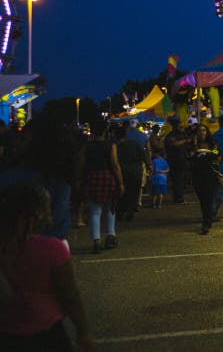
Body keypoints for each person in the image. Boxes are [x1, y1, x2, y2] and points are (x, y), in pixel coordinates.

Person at [0, 183, 95, 350]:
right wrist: (83, 330)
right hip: (47, 333)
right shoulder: (53, 249)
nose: (49, 215)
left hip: (7, 333)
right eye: (46, 209)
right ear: (34, 214)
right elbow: (70, 295)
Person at [76, 118, 124, 254]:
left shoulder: (86, 146)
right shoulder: (111, 145)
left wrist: (79, 179)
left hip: (91, 177)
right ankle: (110, 236)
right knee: (110, 209)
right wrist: (120, 182)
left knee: (94, 211)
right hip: (108, 177)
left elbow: (81, 163)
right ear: (105, 131)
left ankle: (96, 240)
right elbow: (115, 165)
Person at [191, 124, 221, 235]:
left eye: (203, 130)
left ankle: (206, 223)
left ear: (207, 131)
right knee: (203, 201)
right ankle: (207, 220)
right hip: (198, 176)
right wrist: (194, 145)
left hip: (210, 175)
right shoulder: (193, 145)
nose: (201, 132)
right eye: (199, 131)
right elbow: (190, 156)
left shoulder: (213, 144)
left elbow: (217, 155)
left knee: (209, 199)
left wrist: (207, 152)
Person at [114, 126, 147, 221]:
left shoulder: (115, 146)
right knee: (134, 192)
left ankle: (120, 212)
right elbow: (144, 155)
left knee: (122, 193)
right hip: (135, 172)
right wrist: (149, 165)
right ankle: (130, 211)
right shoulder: (134, 144)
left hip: (121, 173)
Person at [164, 117, 191, 204]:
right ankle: (178, 198)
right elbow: (174, 144)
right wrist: (185, 141)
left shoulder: (182, 134)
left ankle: (180, 197)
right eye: (178, 125)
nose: (180, 126)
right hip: (175, 162)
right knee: (177, 180)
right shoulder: (171, 136)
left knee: (182, 181)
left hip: (183, 161)